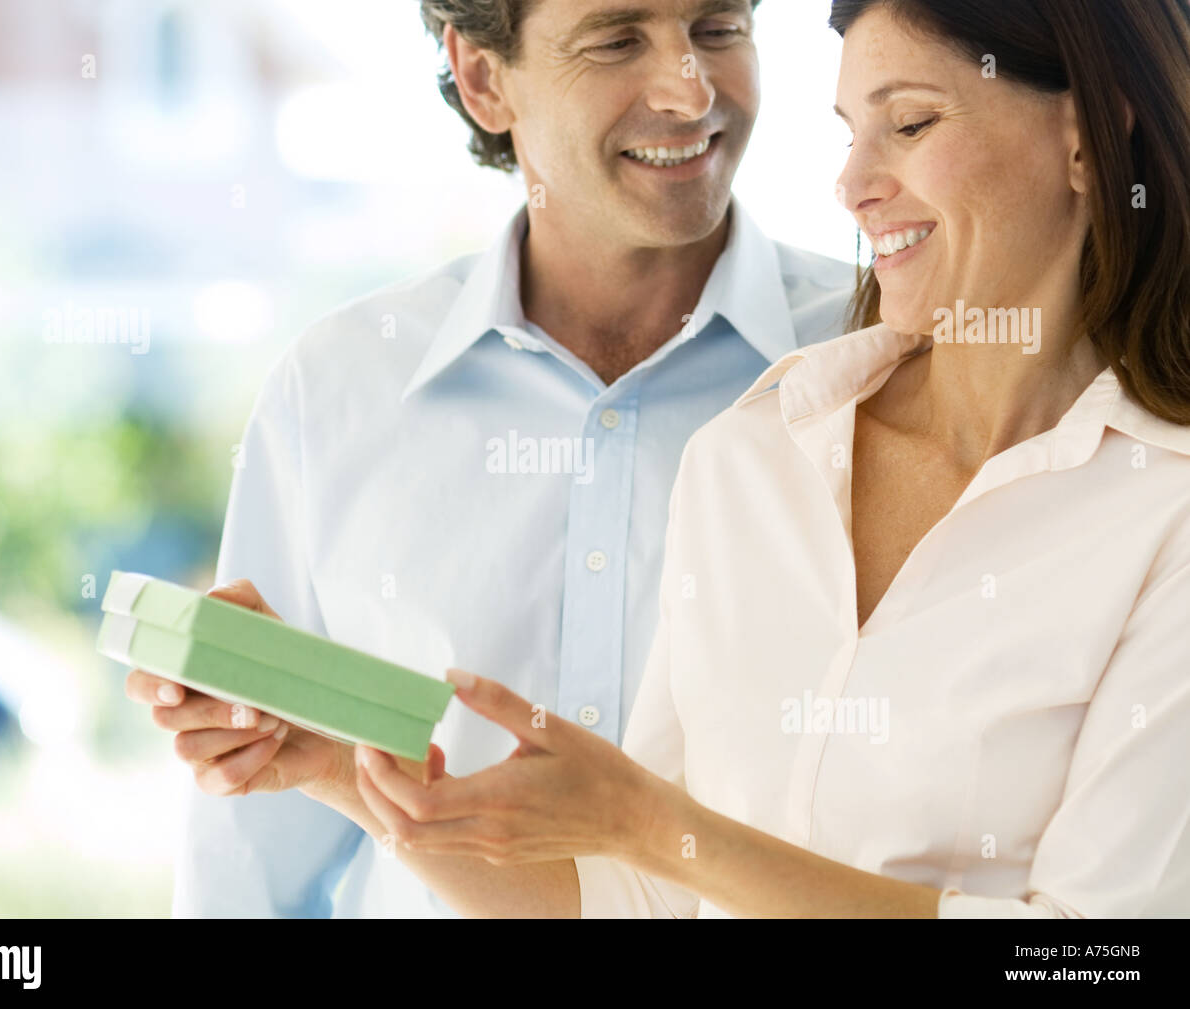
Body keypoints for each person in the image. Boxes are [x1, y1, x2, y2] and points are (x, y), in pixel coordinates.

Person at [336, 0, 1190, 916]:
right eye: (849, 134)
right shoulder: (752, 455)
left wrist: (652, 825)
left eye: (910, 123)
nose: (854, 183)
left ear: (1089, 137)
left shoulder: (1162, 512)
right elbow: (640, 900)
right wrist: (338, 776)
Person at [124, 0, 854, 916]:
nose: (689, 88)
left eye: (719, 28)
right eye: (618, 40)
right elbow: (252, 872)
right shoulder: (339, 391)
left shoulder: (884, 362)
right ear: (481, 77)